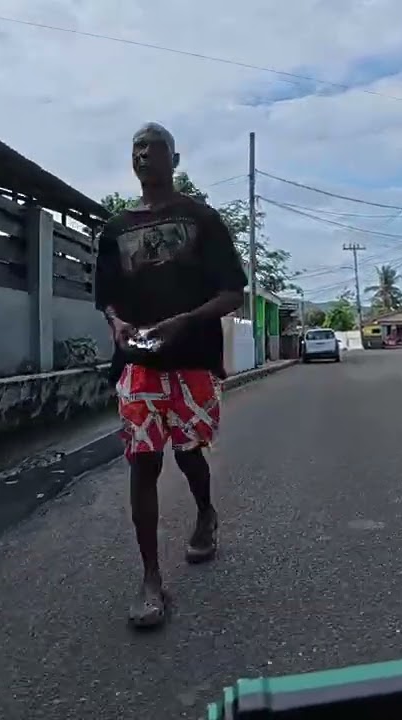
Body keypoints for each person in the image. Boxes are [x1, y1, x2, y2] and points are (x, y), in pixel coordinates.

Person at [94, 123, 248, 629]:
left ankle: (205, 512)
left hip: (192, 361)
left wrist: (186, 320)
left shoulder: (201, 219)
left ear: (174, 159)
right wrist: (117, 324)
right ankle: (150, 578)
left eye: (154, 148)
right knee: (143, 462)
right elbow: (107, 298)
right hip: (139, 364)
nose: (143, 155)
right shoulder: (115, 230)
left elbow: (233, 293)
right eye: (136, 148)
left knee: (188, 453)